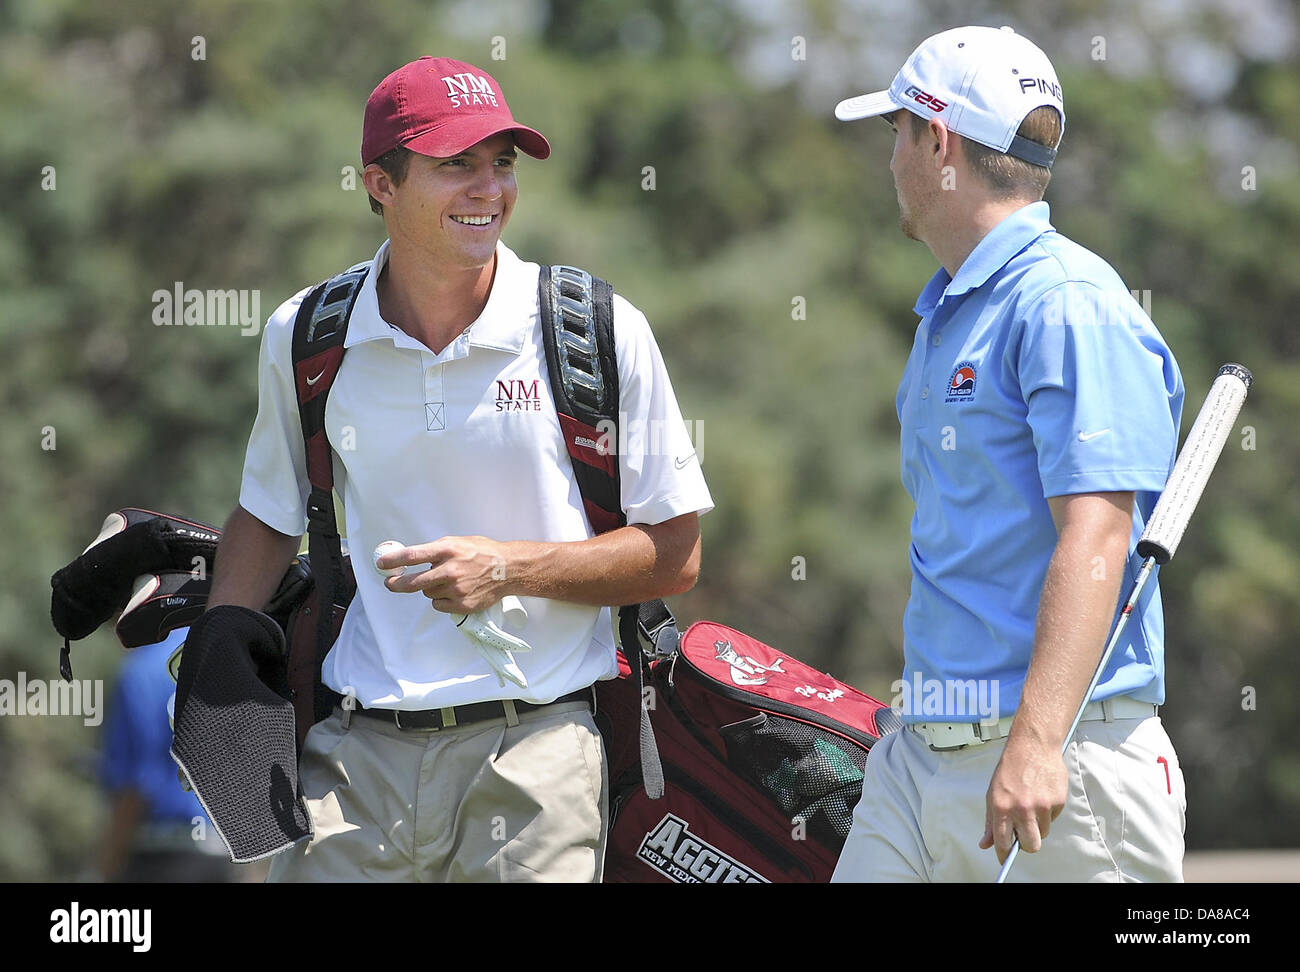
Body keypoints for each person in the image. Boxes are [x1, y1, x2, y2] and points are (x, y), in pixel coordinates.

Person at [203, 56, 712, 882]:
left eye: (502, 162)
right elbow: (268, 511)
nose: (489, 189)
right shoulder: (305, 336)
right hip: (355, 758)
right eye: (456, 164)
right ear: (380, 183)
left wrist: (506, 568)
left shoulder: (598, 328)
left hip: (537, 755)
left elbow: (675, 552)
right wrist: (223, 635)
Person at [830, 26, 1186, 882]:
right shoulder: (951, 310)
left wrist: (1033, 742)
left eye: (896, 134)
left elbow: (1098, 536)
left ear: (938, 142)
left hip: (1062, 760)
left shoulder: (1067, 304)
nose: (892, 160)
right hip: (921, 758)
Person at [99, 627, 241, 882]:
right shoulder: (227, 664)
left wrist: (102, 870)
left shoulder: (140, 670)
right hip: (220, 857)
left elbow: (136, 787)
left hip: (160, 859)